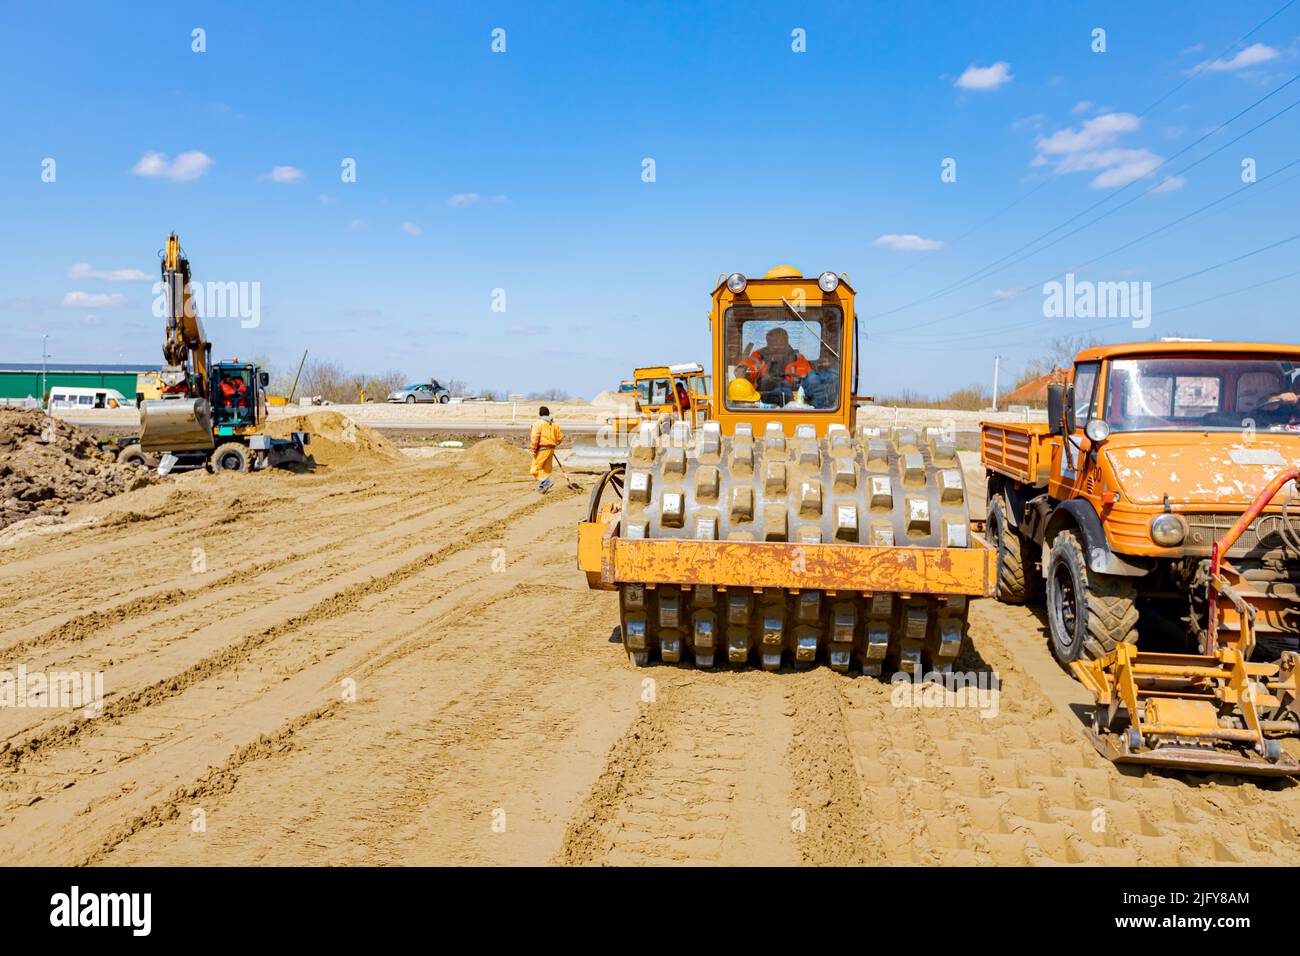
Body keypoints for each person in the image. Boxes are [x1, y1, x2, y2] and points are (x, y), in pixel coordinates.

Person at [529, 405, 564, 493]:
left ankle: (546, 482)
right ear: (548, 414)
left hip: (542, 449)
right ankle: (543, 487)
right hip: (551, 449)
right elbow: (560, 437)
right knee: (545, 469)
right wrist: (554, 443)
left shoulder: (538, 424)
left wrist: (533, 449)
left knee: (535, 469)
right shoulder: (554, 424)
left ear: (540, 414)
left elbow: (534, 438)